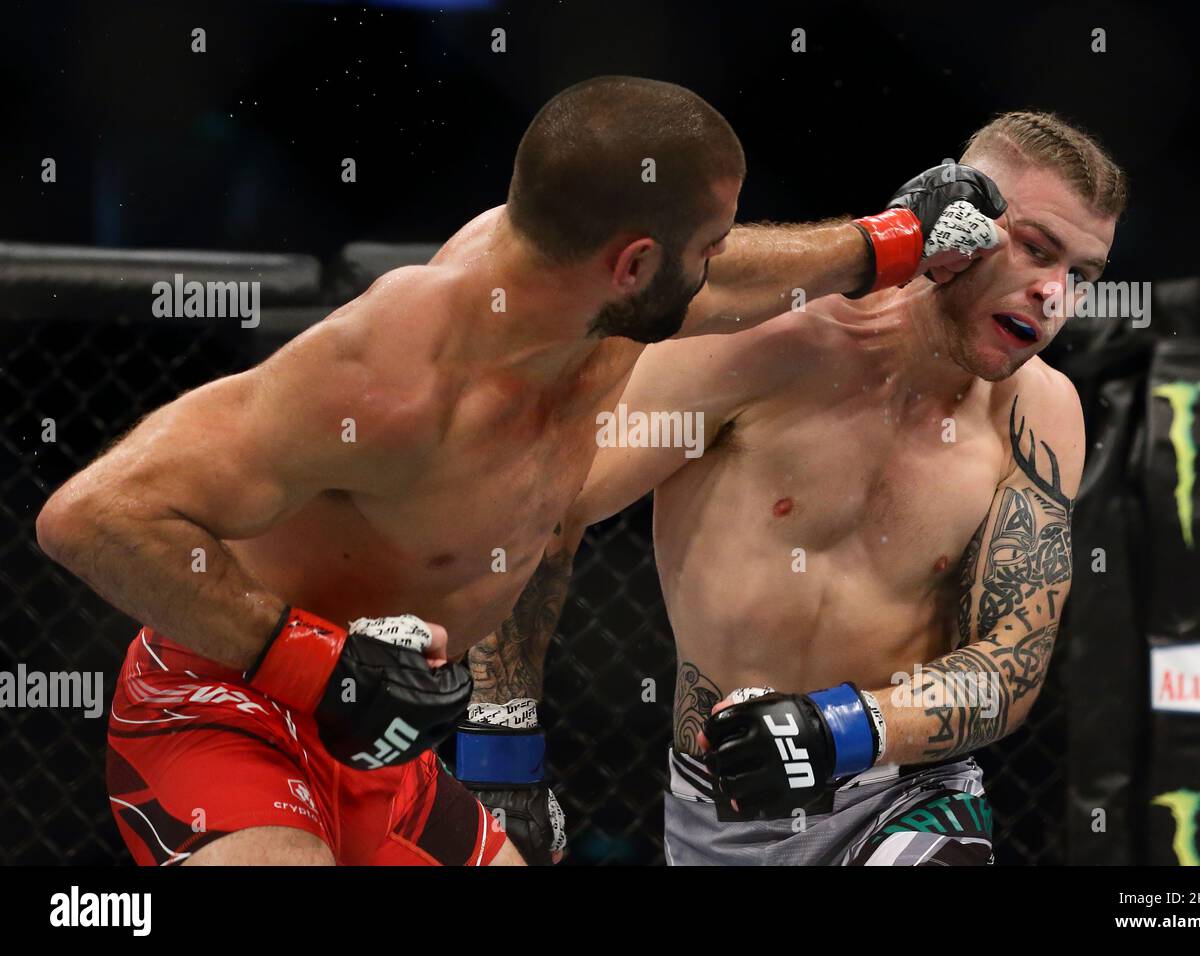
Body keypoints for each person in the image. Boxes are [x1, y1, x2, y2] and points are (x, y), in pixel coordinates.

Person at [35, 75, 1001, 865]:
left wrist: (893, 241)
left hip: (382, 737)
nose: (717, 269)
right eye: (703, 248)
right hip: (231, 708)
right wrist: (308, 663)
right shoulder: (391, 373)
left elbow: (737, 271)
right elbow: (90, 515)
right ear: (634, 267)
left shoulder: (594, 298)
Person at [477, 110, 1125, 865]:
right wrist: (501, 750)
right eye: (1037, 250)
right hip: (717, 804)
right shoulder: (765, 346)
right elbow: (540, 510)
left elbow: (1009, 665)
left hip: (908, 790)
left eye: (1081, 276)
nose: (1055, 297)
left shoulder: (1041, 414)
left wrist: (838, 727)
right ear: (964, 217)